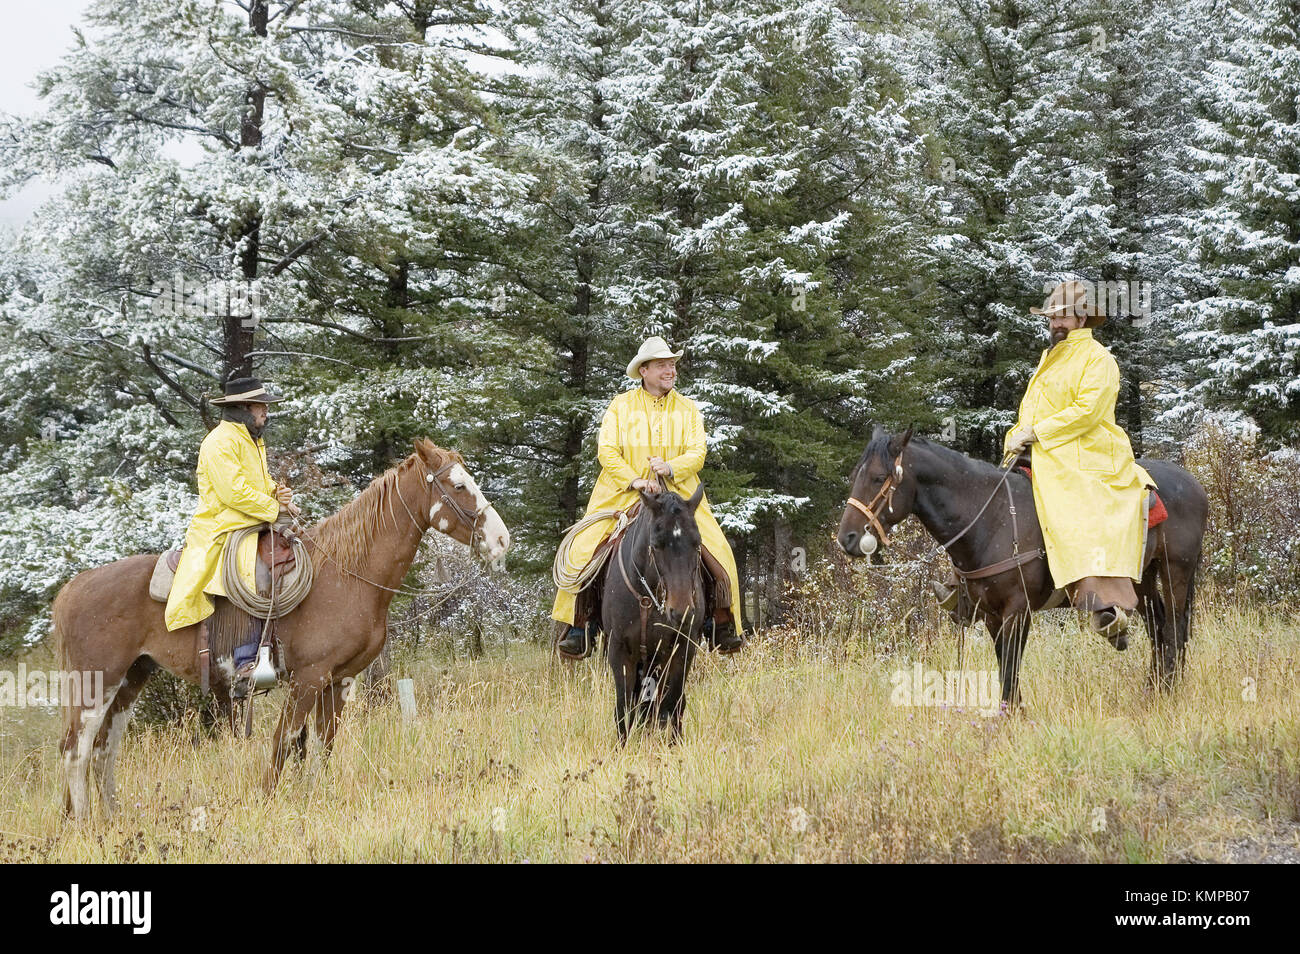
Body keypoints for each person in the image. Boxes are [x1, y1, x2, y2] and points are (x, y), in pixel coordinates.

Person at [937, 280, 1152, 643]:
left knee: (1074, 502)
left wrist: (1038, 432)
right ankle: (969, 586)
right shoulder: (1049, 358)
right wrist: (1017, 435)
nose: (1055, 323)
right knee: (990, 500)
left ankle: (1103, 601)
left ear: (1082, 318)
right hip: (1046, 450)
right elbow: (1030, 410)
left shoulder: (1099, 359)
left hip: (1089, 451)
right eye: (1051, 317)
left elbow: (1088, 412)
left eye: (1062, 316)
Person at [553, 337, 744, 657]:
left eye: (672, 364)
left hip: (680, 494)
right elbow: (607, 451)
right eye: (662, 365)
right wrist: (636, 480)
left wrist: (671, 467)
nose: (670, 370)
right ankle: (580, 624)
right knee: (583, 548)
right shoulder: (621, 405)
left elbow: (698, 453)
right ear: (644, 371)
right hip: (622, 493)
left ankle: (718, 619)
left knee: (719, 552)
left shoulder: (688, 408)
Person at [165, 377, 298, 686]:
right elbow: (233, 492)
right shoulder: (220, 441)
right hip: (221, 524)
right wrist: (272, 508)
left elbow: (257, 484)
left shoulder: (249, 439)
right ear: (242, 408)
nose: (266, 411)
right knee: (249, 573)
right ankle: (245, 661)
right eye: (260, 405)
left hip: (247, 519)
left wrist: (278, 494)